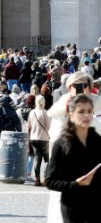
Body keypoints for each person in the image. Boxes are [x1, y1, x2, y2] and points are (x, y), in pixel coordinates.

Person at [45, 93, 101, 223]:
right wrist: (75, 184)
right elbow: (50, 181)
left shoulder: (97, 141)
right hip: (73, 207)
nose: (86, 115)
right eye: (81, 111)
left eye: (89, 111)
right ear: (71, 115)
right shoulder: (61, 144)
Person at [27, 95, 51, 186]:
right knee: (47, 160)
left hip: (33, 138)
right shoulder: (45, 113)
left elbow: (29, 125)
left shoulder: (32, 112)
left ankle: (37, 180)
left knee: (37, 159)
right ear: (43, 103)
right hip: (44, 138)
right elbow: (49, 126)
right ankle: (45, 178)